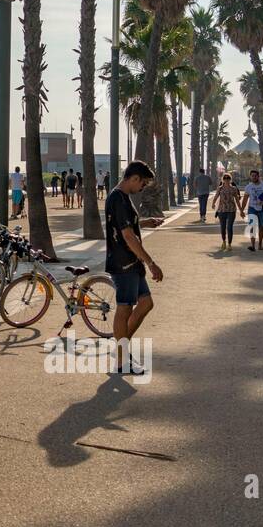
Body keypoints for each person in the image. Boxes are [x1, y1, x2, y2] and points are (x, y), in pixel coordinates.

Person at [105, 161, 165, 375]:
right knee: (124, 308)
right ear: (134, 178)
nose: (143, 188)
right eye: (143, 184)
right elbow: (128, 236)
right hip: (123, 263)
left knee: (146, 303)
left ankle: (120, 348)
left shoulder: (123, 198)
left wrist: (147, 222)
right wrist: (151, 263)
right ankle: (122, 361)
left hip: (132, 263)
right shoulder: (118, 199)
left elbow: (128, 226)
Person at [241, 169, 263, 251]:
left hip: (262, 209)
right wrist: (241, 210)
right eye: (252, 176)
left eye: (255, 176)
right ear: (250, 177)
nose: (254, 177)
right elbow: (245, 199)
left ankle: (260, 244)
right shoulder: (248, 187)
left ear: (258, 176)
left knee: (261, 227)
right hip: (252, 209)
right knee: (252, 227)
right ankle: (253, 246)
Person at [212, 173, 241, 251]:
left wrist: (241, 210)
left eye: (228, 178)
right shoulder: (220, 188)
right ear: (223, 179)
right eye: (225, 178)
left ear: (230, 179)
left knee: (229, 227)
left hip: (231, 210)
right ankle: (224, 241)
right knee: (223, 227)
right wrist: (213, 203)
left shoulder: (234, 188)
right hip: (222, 210)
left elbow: (237, 200)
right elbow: (216, 196)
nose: (226, 180)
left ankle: (229, 244)